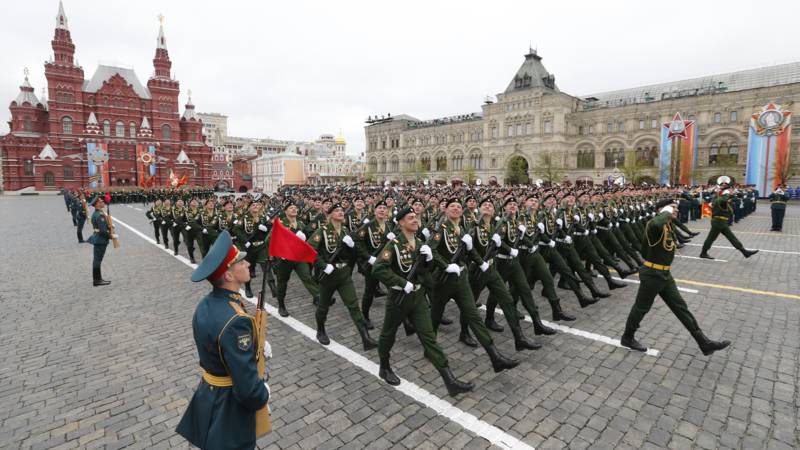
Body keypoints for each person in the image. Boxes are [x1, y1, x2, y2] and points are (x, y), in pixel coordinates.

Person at [176, 231, 270, 450]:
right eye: (241, 262)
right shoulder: (236, 321)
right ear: (228, 276)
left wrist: (256, 344)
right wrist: (262, 393)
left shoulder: (207, 304)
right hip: (228, 406)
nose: (248, 263)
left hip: (209, 393)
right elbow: (248, 390)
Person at [371, 207, 474, 397]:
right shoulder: (393, 245)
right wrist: (402, 283)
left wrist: (428, 261)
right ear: (401, 223)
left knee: (429, 337)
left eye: (415, 217)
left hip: (417, 297)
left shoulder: (420, 244)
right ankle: (384, 366)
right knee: (388, 334)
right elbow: (378, 269)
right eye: (410, 218)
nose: (415, 220)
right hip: (399, 298)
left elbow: (424, 271)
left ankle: (449, 380)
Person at [621, 199, 731, 356]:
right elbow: (655, 225)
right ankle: (627, 337)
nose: (676, 210)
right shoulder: (654, 224)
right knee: (641, 308)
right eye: (672, 207)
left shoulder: (667, 225)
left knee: (681, 307)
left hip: (664, 274)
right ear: (661, 210)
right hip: (652, 274)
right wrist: (666, 211)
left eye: (676, 208)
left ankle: (704, 342)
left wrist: (668, 212)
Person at [309, 202, 378, 350]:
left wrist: (352, 247)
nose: (341, 212)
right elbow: (309, 250)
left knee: (353, 305)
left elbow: (352, 255)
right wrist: (323, 265)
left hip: (344, 274)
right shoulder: (322, 231)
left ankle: (365, 337)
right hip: (329, 275)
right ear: (330, 215)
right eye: (337, 210)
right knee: (323, 306)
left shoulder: (346, 231)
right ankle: (320, 330)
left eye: (342, 210)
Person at [699, 176, 758, 259]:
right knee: (727, 237)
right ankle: (744, 252)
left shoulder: (722, 194)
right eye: (722, 184)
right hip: (718, 221)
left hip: (721, 221)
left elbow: (740, 196)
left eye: (725, 184)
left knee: (720, 238)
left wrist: (733, 194)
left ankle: (744, 252)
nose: (724, 184)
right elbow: (721, 201)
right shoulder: (718, 195)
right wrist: (727, 194)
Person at [87, 194, 115, 286]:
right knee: (97, 260)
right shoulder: (100, 215)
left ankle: (98, 279)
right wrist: (111, 236)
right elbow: (103, 231)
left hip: (98, 239)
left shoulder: (98, 213)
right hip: (100, 240)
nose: (103, 202)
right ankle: (97, 280)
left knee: (97, 260)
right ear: (97, 204)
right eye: (101, 202)